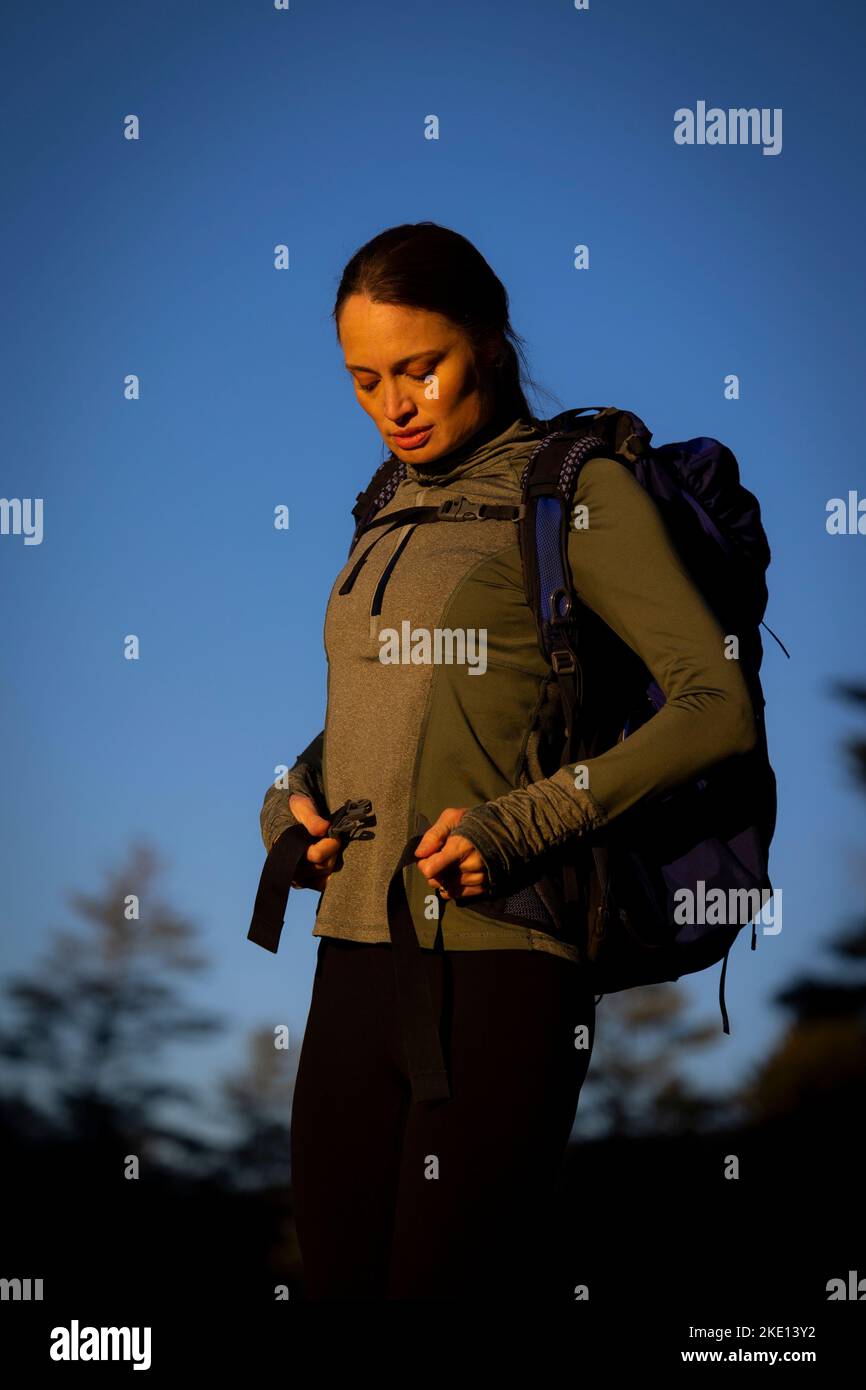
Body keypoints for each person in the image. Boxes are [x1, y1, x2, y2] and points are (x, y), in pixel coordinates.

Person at [259, 221, 758, 1301]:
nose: (394, 404)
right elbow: (396, 700)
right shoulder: (384, 505)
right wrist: (291, 793)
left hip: (502, 972)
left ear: (487, 341)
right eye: (363, 380)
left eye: (418, 368)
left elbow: (716, 704)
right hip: (349, 964)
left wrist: (520, 823)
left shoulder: (574, 491)